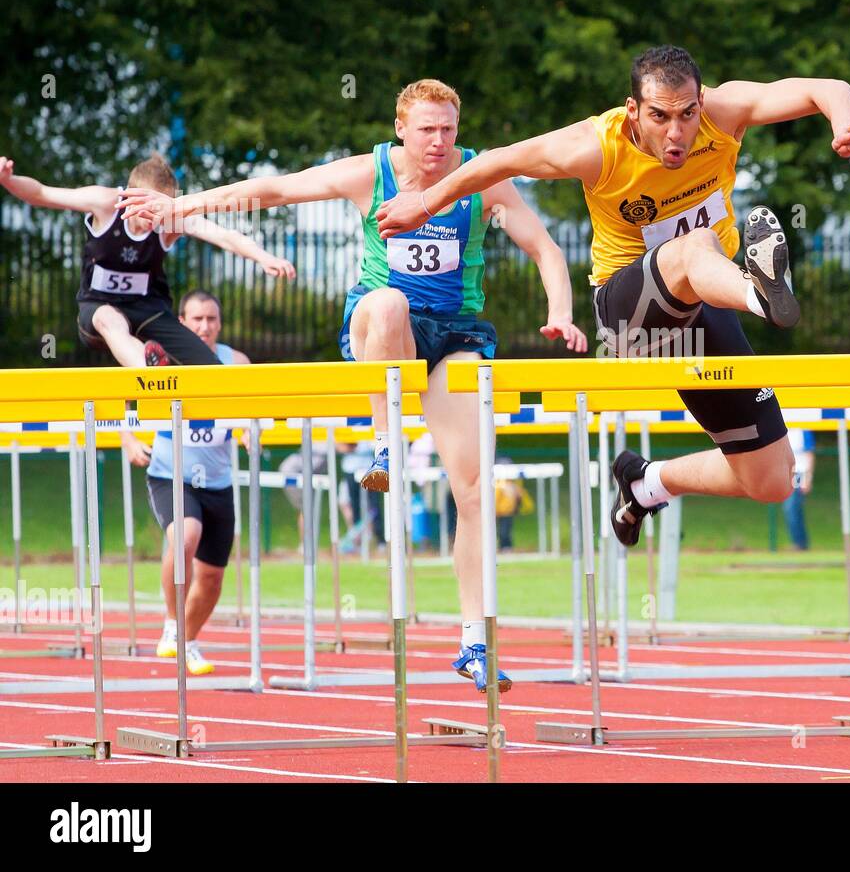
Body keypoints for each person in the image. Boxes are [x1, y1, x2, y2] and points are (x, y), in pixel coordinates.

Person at [119, 79, 589, 692]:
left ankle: (475, 641)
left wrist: (561, 310)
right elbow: (276, 190)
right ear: (401, 129)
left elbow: (548, 250)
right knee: (390, 301)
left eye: (448, 129)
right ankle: (385, 447)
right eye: (426, 129)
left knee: (472, 491)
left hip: (455, 336)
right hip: (379, 328)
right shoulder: (371, 174)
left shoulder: (480, 179)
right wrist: (184, 208)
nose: (438, 142)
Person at [376, 46, 850, 548]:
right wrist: (424, 202)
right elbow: (500, 161)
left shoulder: (725, 112)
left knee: (773, 479)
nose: (675, 134)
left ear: (701, 101)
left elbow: (822, 89)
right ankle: (760, 294)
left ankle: (647, 483)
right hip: (629, 317)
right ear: (634, 110)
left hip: (706, 311)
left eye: (686, 115)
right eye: (659, 117)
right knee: (694, 246)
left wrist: (844, 120)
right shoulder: (595, 146)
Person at [0, 153, 294, 367]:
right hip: (98, 308)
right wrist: (8, 179)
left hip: (150, 313)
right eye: (148, 207)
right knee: (110, 320)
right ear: (128, 197)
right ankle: (149, 371)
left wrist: (262, 257)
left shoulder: (170, 220)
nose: (155, 216)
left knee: (211, 369)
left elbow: (225, 236)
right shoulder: (105, 203)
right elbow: (41, 193)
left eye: (161, 207)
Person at [119, 290, 249, 674]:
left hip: (218, 481)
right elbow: (124, 396)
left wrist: (247, 428)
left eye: (211, 320)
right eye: (196, 320)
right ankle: (171, 623)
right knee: (185, 537)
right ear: (182, 322)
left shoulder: (234, 362)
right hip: (170, 473)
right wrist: (128, 438)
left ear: (219, 325)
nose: (204, 327)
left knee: (211, 580)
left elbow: (252, 407)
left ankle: (187, 640)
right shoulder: (162, 357)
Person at [782, 429, 815, 550]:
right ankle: (799, 542)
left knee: (791, 507)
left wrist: (808, 477)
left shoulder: (803, 429)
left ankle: (800, 543)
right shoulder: (783, 428)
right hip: (787, 473)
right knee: (793, 508)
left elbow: (809, 454)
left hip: (799, 474)